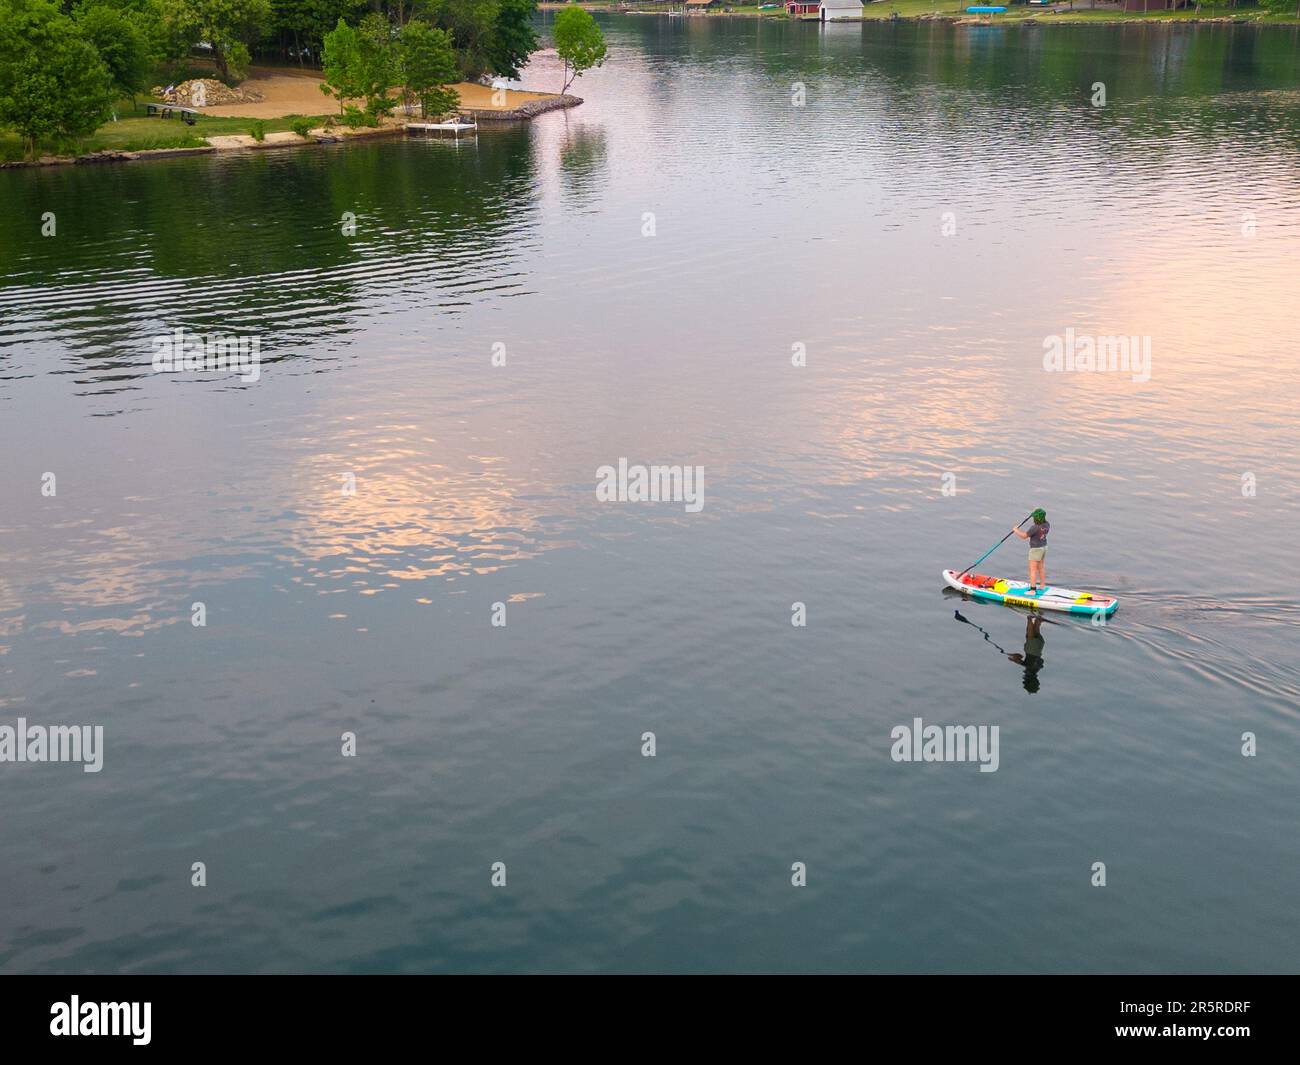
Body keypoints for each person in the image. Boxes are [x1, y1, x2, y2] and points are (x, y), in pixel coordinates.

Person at [1011, 507, 1049, 593]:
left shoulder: (1034, 527)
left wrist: (1016, 530)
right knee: (1041, 568)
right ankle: (1042, 585)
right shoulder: (1047, 524)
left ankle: (1032, 590)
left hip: (1035, 550)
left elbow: (1024, 536)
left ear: (1035, 518)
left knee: (1032, 570)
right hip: (1044, 547)